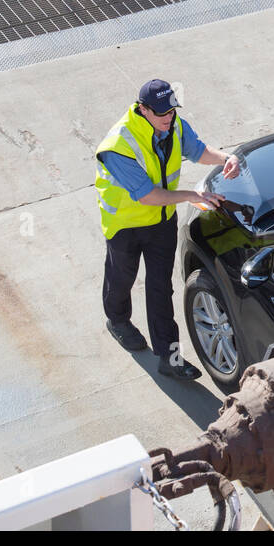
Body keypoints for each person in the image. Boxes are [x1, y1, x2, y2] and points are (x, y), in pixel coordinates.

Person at [94, 79, 240, 379]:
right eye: (161, 112)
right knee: (123, 277)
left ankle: (169, 358)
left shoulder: (174, 125)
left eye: (172, 110)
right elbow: (146, 195)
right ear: (143, 109)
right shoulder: (117, 145)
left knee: (161, 287)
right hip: (125, 224)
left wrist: (227, 157)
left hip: (161, 222)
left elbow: (198, 150)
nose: (168, 117)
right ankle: (118, 320)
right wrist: (191, 196)